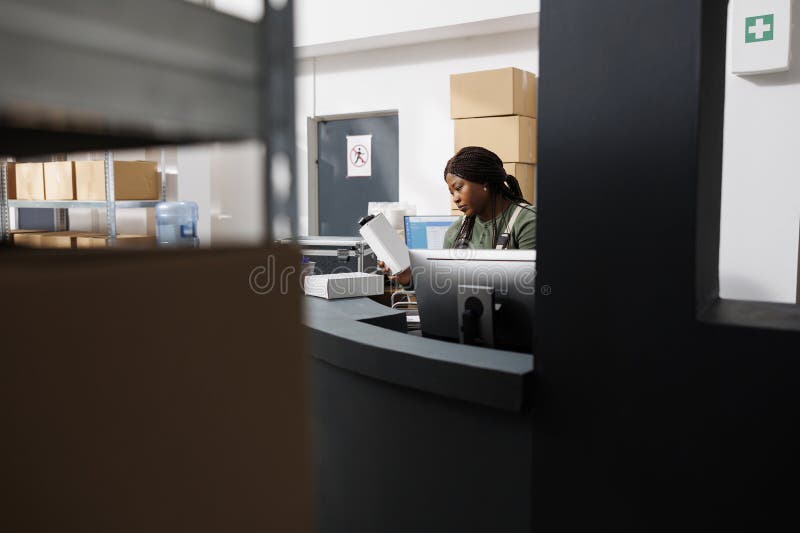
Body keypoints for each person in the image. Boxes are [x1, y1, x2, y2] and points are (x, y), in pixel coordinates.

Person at [380, 146, 537, 286]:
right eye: (451, 192)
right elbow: (442, 284)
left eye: (459, 188)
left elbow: (531, 285)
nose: (455, 198)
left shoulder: (528, 222)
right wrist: (407, 276)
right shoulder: (456, 232)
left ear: (484, 183)